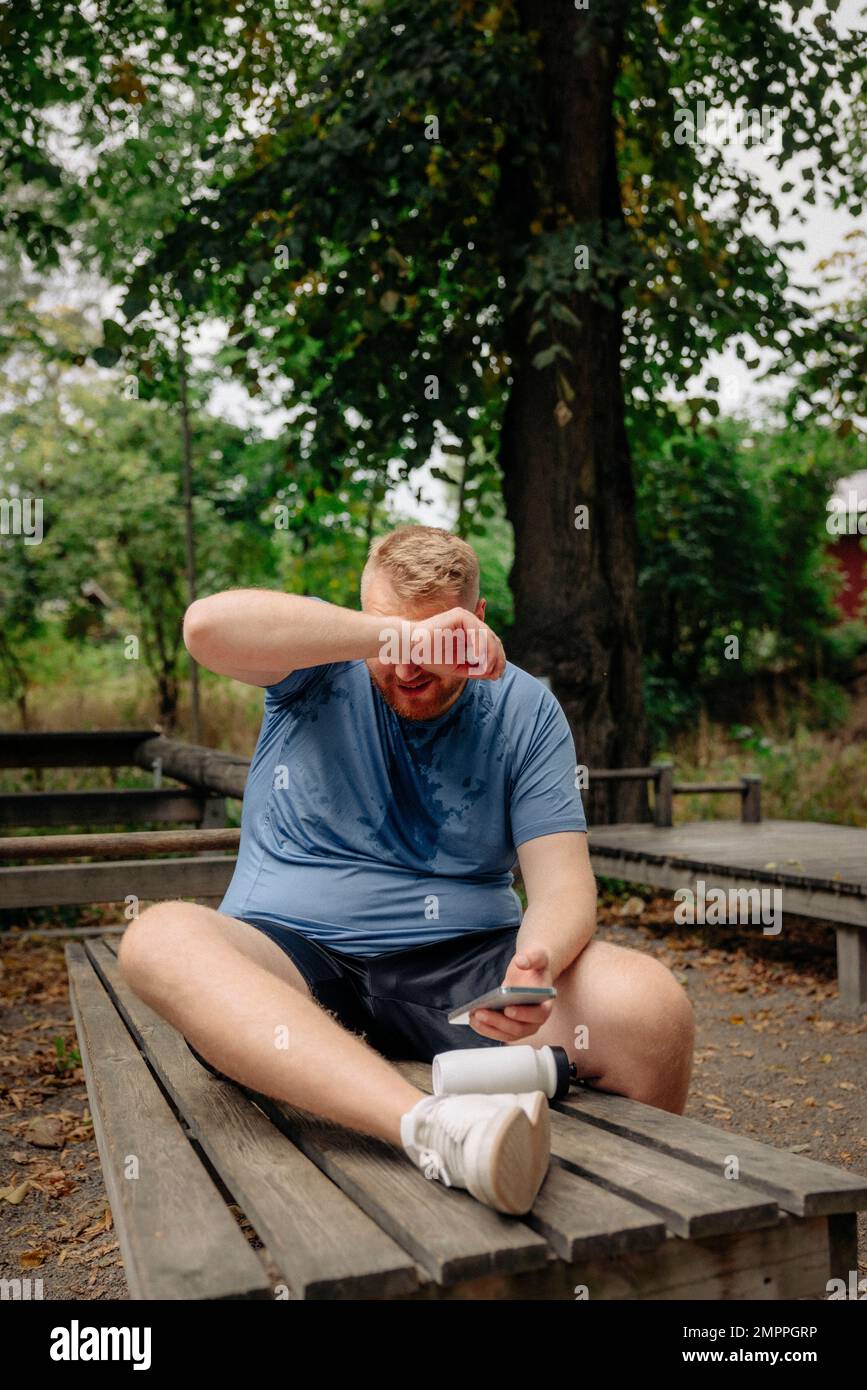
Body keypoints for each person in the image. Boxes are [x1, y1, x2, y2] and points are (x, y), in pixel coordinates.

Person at [119, 525, 694, 1215]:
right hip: (290, 964)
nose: (409, 669)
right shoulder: (316, 664)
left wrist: (538, 958)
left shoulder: (524, 707)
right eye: (393, 637)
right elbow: (207, 627)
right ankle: (433, 1127)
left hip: (461, 972)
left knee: (650, 1007)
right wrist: (391, 636)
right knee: (159, 938)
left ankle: (645, 1226)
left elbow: (563, 884)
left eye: (433, 640)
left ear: (474, 622)